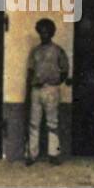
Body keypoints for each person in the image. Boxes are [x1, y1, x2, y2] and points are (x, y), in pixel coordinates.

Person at [25, 17, 70, 166]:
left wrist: (56, 82)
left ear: (52, 33)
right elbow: (30, 71)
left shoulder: (58, 50)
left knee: (53, 123)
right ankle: (32, 155)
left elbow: (65, 70)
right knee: (34, 123)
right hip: (36, 89)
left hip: (51, 89)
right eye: (41, 31)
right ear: (38, 32)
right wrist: (29, 88)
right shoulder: (35, 51)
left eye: (47, 32)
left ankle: (54, 154)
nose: (44, 34)